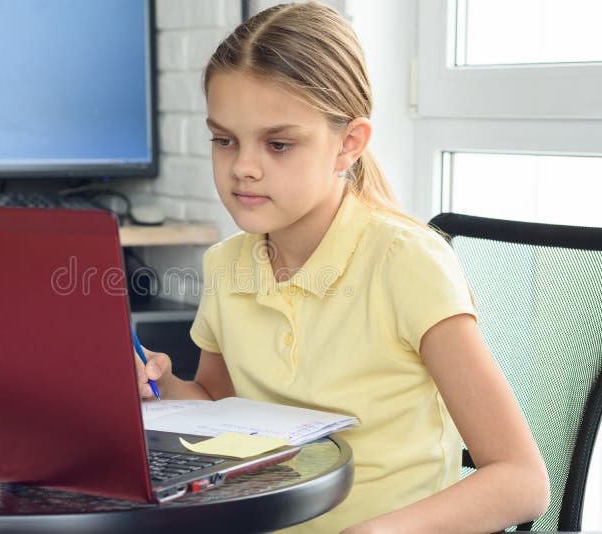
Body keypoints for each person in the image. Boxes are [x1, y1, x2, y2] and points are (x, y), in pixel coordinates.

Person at [136, 2, 550, 532]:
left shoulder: (407, 263)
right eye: (224, 140)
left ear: (347, 145)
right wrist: (165, 383)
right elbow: (219, 403)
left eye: (279, 143)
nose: (242, 166)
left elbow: (521, 479)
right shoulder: (227, 264)